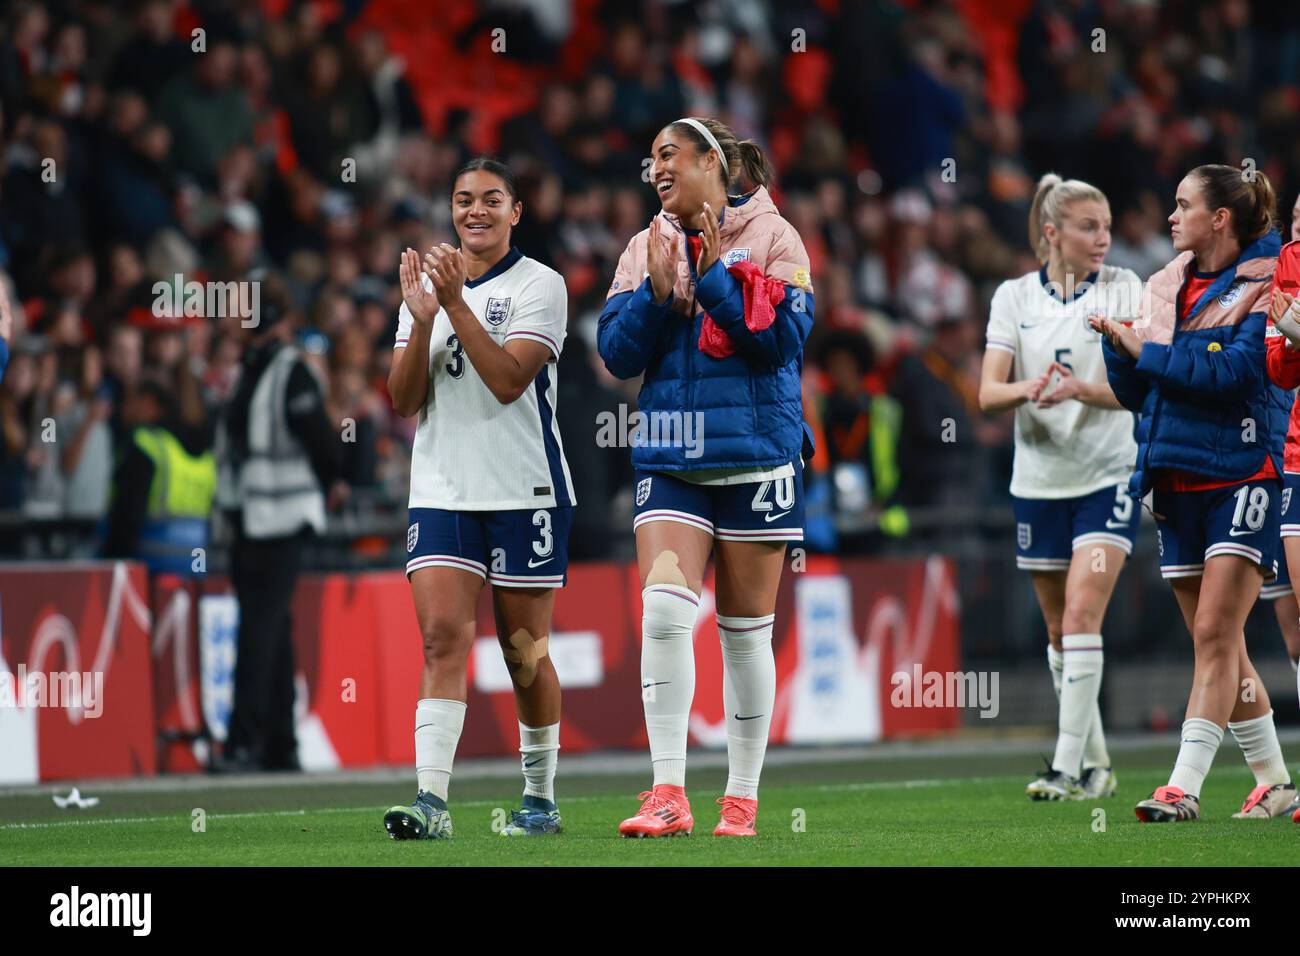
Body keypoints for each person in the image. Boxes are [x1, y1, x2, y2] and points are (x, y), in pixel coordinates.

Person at [598, 117, 814, 838]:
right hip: (670, 454)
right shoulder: (641, 247)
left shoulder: (777, 237)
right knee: (662, 614)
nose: (656, 168)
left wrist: (717, 277)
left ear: (711, 162)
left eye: (669, 155)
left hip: (757, 455)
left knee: (744, 635)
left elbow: (780, 342)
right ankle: (667, 793)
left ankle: (741, 800)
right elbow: (617, 357)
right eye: (650, 157)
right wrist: (656, 298)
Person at [1095, 165, 1295, 822]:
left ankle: (1181, 787)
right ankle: (1274, 782)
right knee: (1222, 646)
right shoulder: (1163, 286)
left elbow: (1236, 373)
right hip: (1175, 476)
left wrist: (1148, 353)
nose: (1170, 217)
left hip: (1243, 470)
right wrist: (1122, 354)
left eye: (1183, 206)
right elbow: (1140, 396)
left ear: (1220, 219)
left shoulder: (1263, 280)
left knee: (1214, 631)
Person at [383, 158, 574, 840]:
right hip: (441, 488)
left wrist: (455, 305)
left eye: (492, 199)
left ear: (516, 211)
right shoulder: (427, 291)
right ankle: (431, 802)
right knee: (442, 640)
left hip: (525, 489)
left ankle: (540, 799)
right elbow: (404, 400)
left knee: (524, 653)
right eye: (464, 200)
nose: (476, 211)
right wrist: (423, 317)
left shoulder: (541, 286)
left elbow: (506, 380)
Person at [979, 174, 1142, 801]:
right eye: (1088, 227)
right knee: (1057, 629)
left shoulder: (1124, 288)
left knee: (1081, 614)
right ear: (1052, 233)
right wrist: (1030, 388)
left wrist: (1080, 390)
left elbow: (1139, 386)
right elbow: (990, 393)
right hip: (1040, 480)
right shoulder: (1015, 297)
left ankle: (1066, 768)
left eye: (1105, 226)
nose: (1103, 238)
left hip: (1106, 474)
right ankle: (1098, 767)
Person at [213, 279, 345, 773]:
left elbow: (323, 442)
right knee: (275, 630)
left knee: (257, 629)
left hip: (282, 519)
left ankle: (242, 743)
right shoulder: (250, 370)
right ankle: (281, 745)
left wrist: (332, 480)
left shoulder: (288, 371)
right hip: (250, 520)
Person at [1259, 192, 1300, 822]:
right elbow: (1280, 366)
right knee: (1296, 624)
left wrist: (1296, 325)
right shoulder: (1288, 263)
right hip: (1295, 454)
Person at [103, 375, 214, 572]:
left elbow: (128, 514)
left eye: (130, 400)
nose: (123, 408)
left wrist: (113, 560)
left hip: (152, 565)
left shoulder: (146, 443)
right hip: (197, 564)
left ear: (147, 402)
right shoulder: (205, 450)